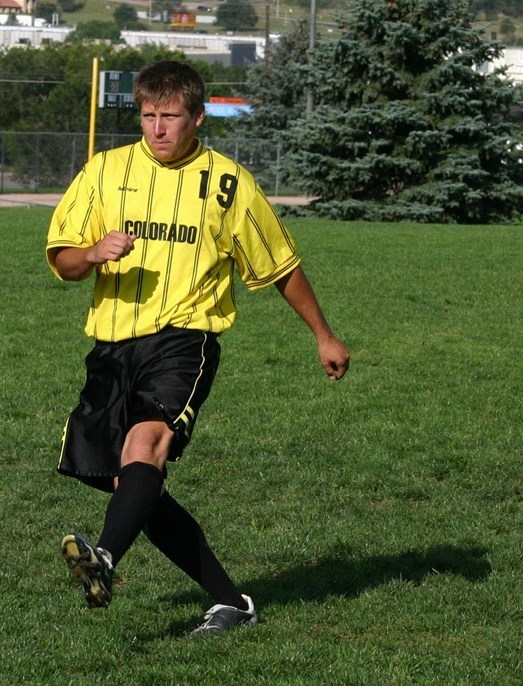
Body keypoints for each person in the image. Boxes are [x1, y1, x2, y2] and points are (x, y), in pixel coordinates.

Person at [45, 60, 349, 637]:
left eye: (172, 117)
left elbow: (280, 266)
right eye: (149, 115)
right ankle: (231, 601)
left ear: (197, 117)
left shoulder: (228, 183)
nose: (158, 129)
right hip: (111, 346)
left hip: (185, 341)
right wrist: (91, 254)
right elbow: (62, 258)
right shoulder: (105, 172)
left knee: (145, 445)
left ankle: (104, 561)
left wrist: (323, 334)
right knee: (133, 485)